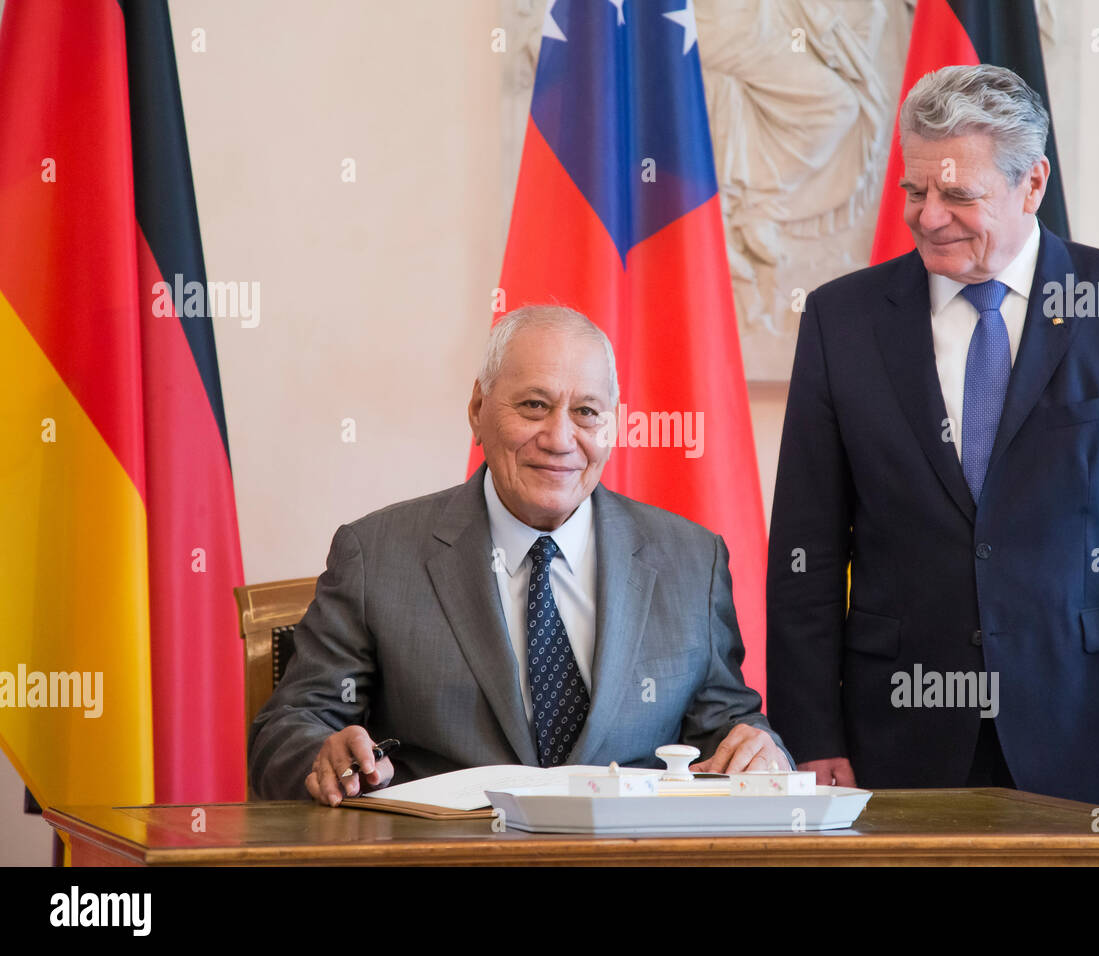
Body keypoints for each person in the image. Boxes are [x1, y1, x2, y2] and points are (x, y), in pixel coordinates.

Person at [766, 64, 1099, 817]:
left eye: (958, 194)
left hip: (1091, 728)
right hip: (895, 735)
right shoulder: (840, 320)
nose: (928, 216)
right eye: (915, 191)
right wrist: (808, 733)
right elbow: (806, 553)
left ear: (1033, 184)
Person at [249, 304, 788, 805]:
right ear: (478, 410)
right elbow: (288, 729)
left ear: (613, 426)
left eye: (586, 412)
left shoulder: (693, 561)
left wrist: (760, 750)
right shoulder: (376, 555)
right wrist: (326, 756)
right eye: (534, 405)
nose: (559, 438)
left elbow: (725, 727)